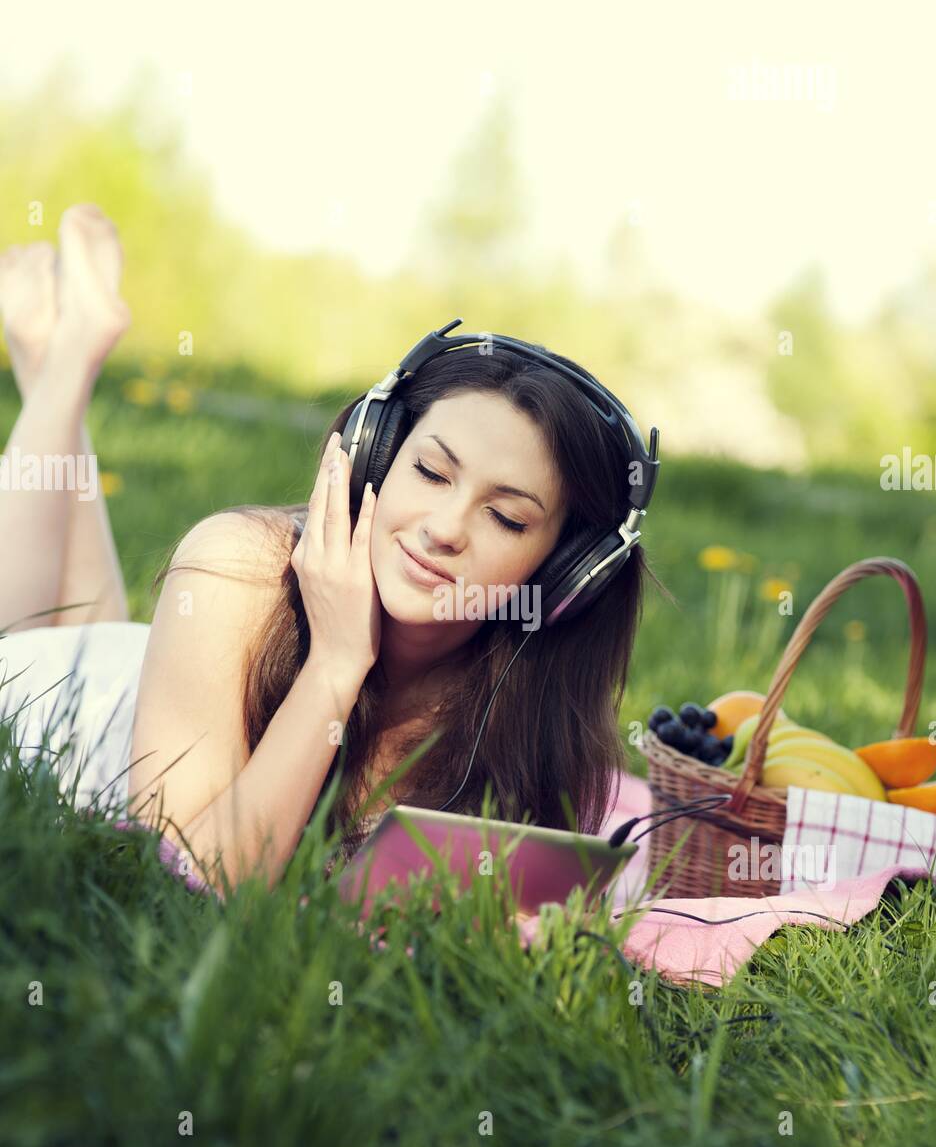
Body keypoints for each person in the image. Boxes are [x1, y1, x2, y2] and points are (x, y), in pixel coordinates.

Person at [0, 205, 664, 901]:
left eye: (503, 516)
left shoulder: (528, 699)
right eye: (431, 474)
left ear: (568, 573)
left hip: (143, 675)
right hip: (58, 709)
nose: (444, 527)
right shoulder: (236, 565)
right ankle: (67, 360)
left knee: (83, 627)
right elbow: (186, 878)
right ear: (376, 455)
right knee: (32, 638)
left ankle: (60, 354)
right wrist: (339, 663)